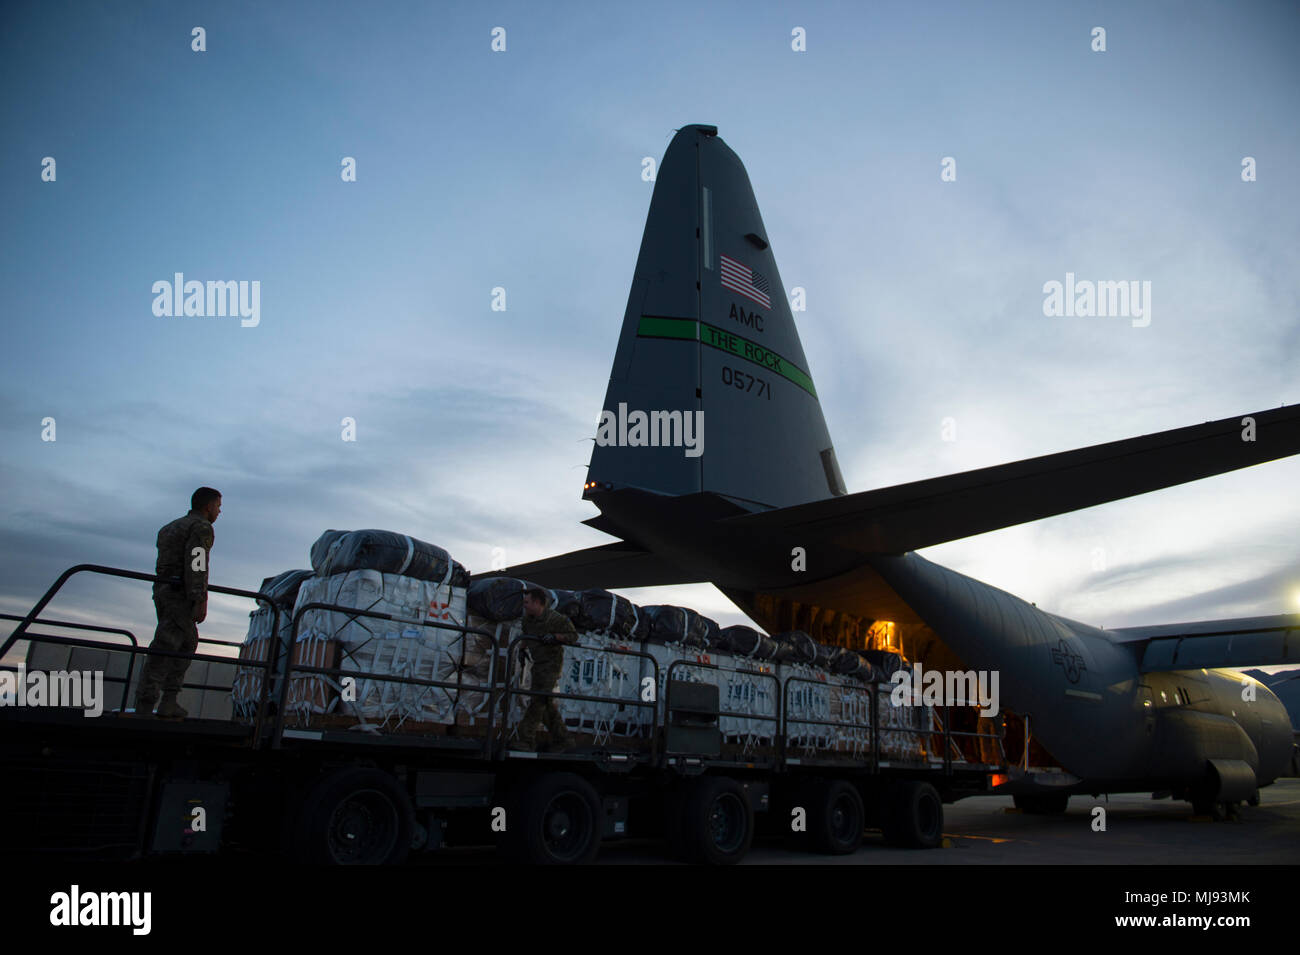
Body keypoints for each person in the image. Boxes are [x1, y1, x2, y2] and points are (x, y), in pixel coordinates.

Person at [133, 487, 220, 719]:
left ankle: (168, 700)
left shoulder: (170, 528)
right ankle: (147, 702)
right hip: (180, 595)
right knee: (166, 646)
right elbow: (197, 562)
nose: (219, 511)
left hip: (162, 591)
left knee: (186, 642)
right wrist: (199, 598)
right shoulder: (201, 527)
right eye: (218, 506)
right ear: (208, 506)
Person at [514, 586, 577, 751]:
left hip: (551, 664)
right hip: (537, 664)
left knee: (538, 701)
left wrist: (555, 637)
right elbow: (526, 634)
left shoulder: (555, 619)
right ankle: (564, 740)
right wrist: (522, 649)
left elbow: (573, 636)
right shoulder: (528, 619)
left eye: (527, 602)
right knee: (545, 705)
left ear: (537, 602)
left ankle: (526, 740)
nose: (524, 605)